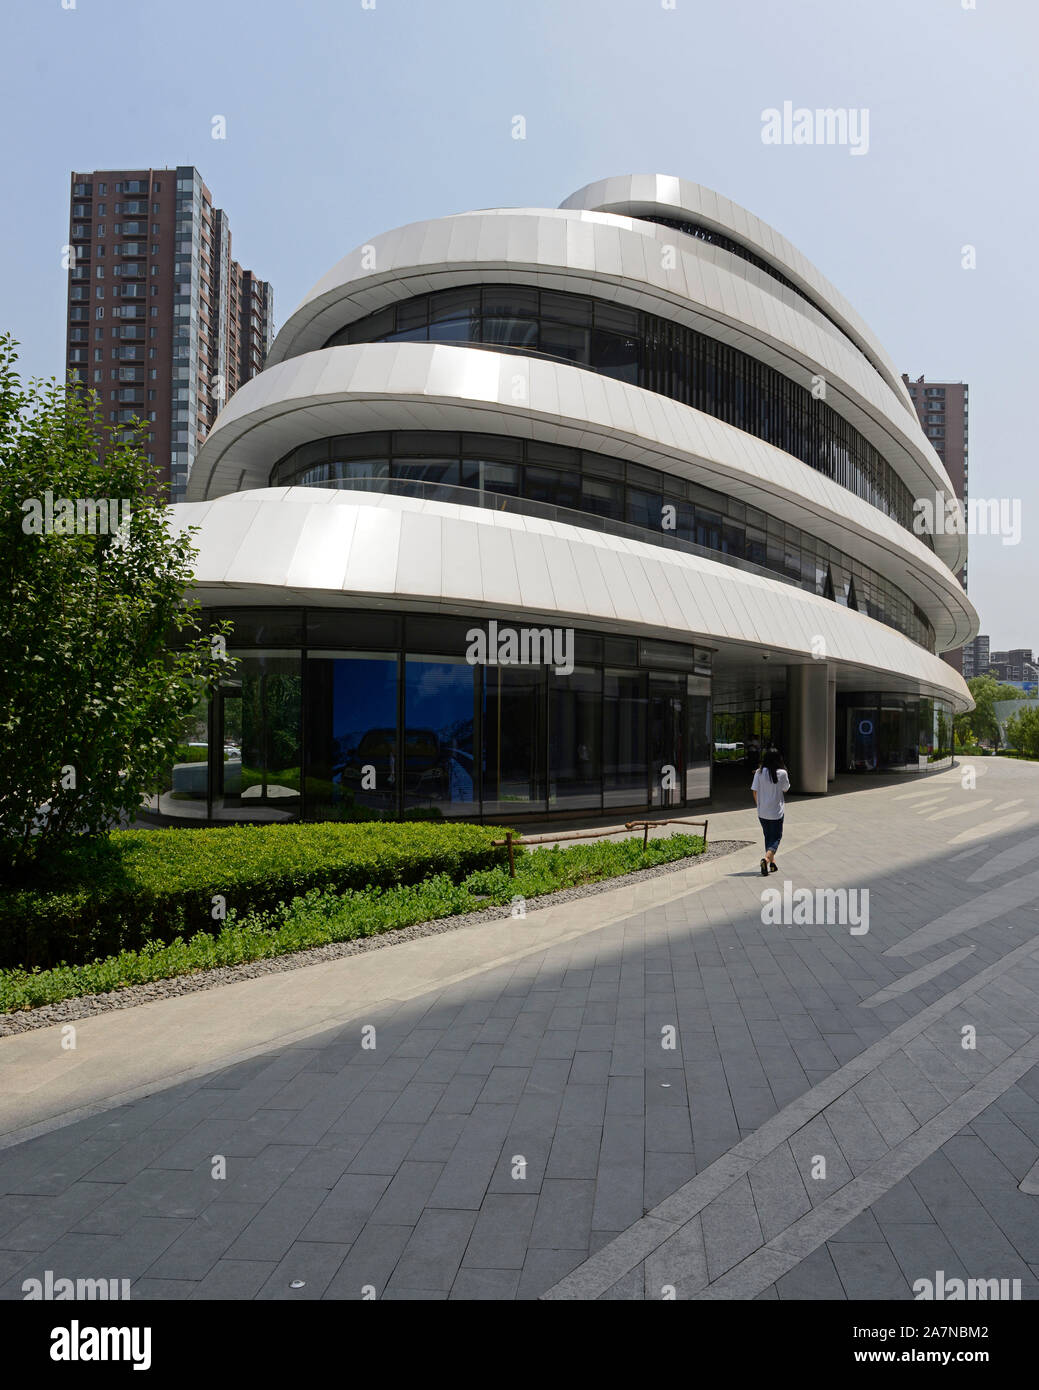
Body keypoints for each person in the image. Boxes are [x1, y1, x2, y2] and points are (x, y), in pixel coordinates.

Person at [751, 749, 790, 876]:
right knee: (776, 838)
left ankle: (772, 864)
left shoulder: (759, 772)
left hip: (762, 812)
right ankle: (766, 860)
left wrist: (759, 805)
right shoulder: (782, 773)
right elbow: (785, 789)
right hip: (776, 812)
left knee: (768, 837)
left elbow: (754, 791)